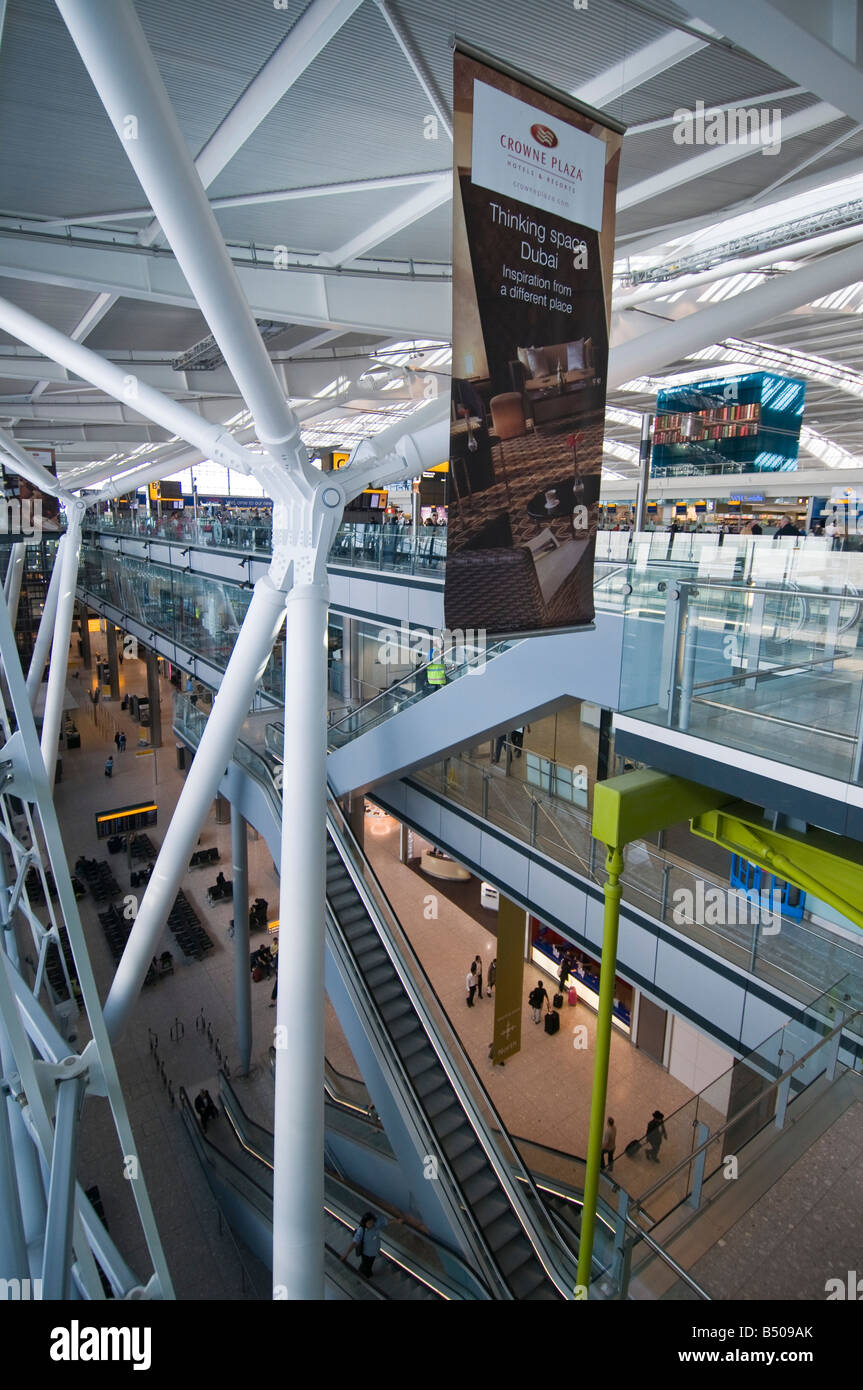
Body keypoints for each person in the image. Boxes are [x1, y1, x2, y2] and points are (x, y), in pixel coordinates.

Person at [342, 1211, 388, 1279]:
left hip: (374, 1252)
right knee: (365, 1264)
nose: (371, 1224)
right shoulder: (361, 1230)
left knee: (369, 1264)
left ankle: (367, 1273)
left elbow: (385, 1221)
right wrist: (346, 1255)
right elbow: (354, 1242)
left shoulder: (376, 1225)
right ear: (365, 1222)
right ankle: (362, 1275)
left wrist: (397, 1221)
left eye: (372, 1222)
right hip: (366, 1253)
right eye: (369, 1223)